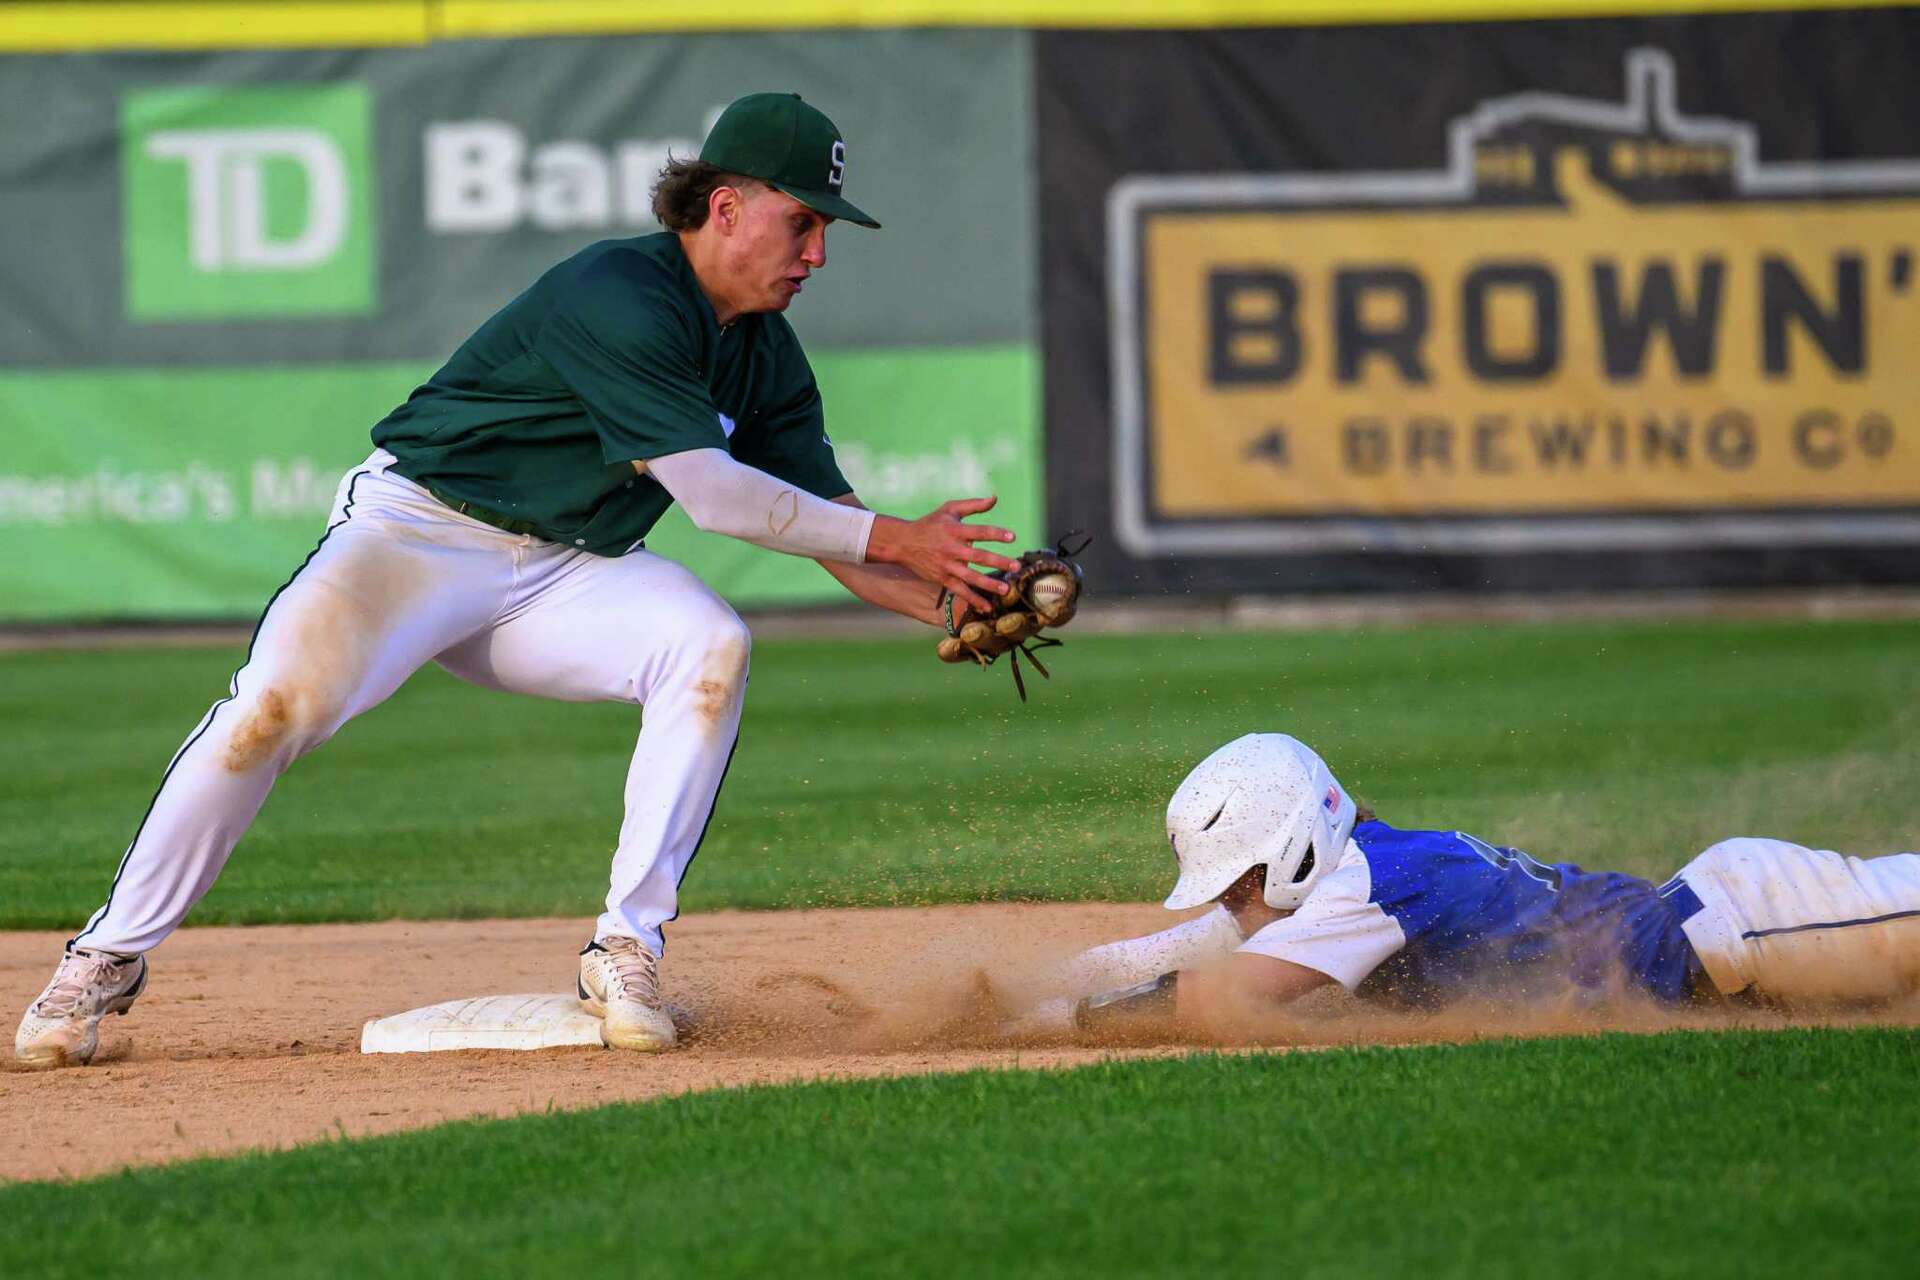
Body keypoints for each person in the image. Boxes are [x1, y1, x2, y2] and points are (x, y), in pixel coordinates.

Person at [16, 92, 1024, 1069]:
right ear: (726, 206)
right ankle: (102, 958)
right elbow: (719, 500)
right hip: (416, 538)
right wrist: (903, 536)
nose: (818, 252)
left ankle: (626, 951)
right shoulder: (622, 294)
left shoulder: (765, 356)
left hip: (563, 573)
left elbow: (832, 538)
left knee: (708, 643)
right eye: (803, 221)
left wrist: (959, 597)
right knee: (274, 706)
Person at [1017, 733, 1920, 1036]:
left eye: (1237, 887)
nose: (1232, 910)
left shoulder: (1366, 891)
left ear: (1291, 851)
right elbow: (1174, 951)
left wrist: (1060, 1026)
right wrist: (1022, 994)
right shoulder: (1352, 875)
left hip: (1736, 924)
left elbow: (1219, 997)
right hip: (1722, 939)